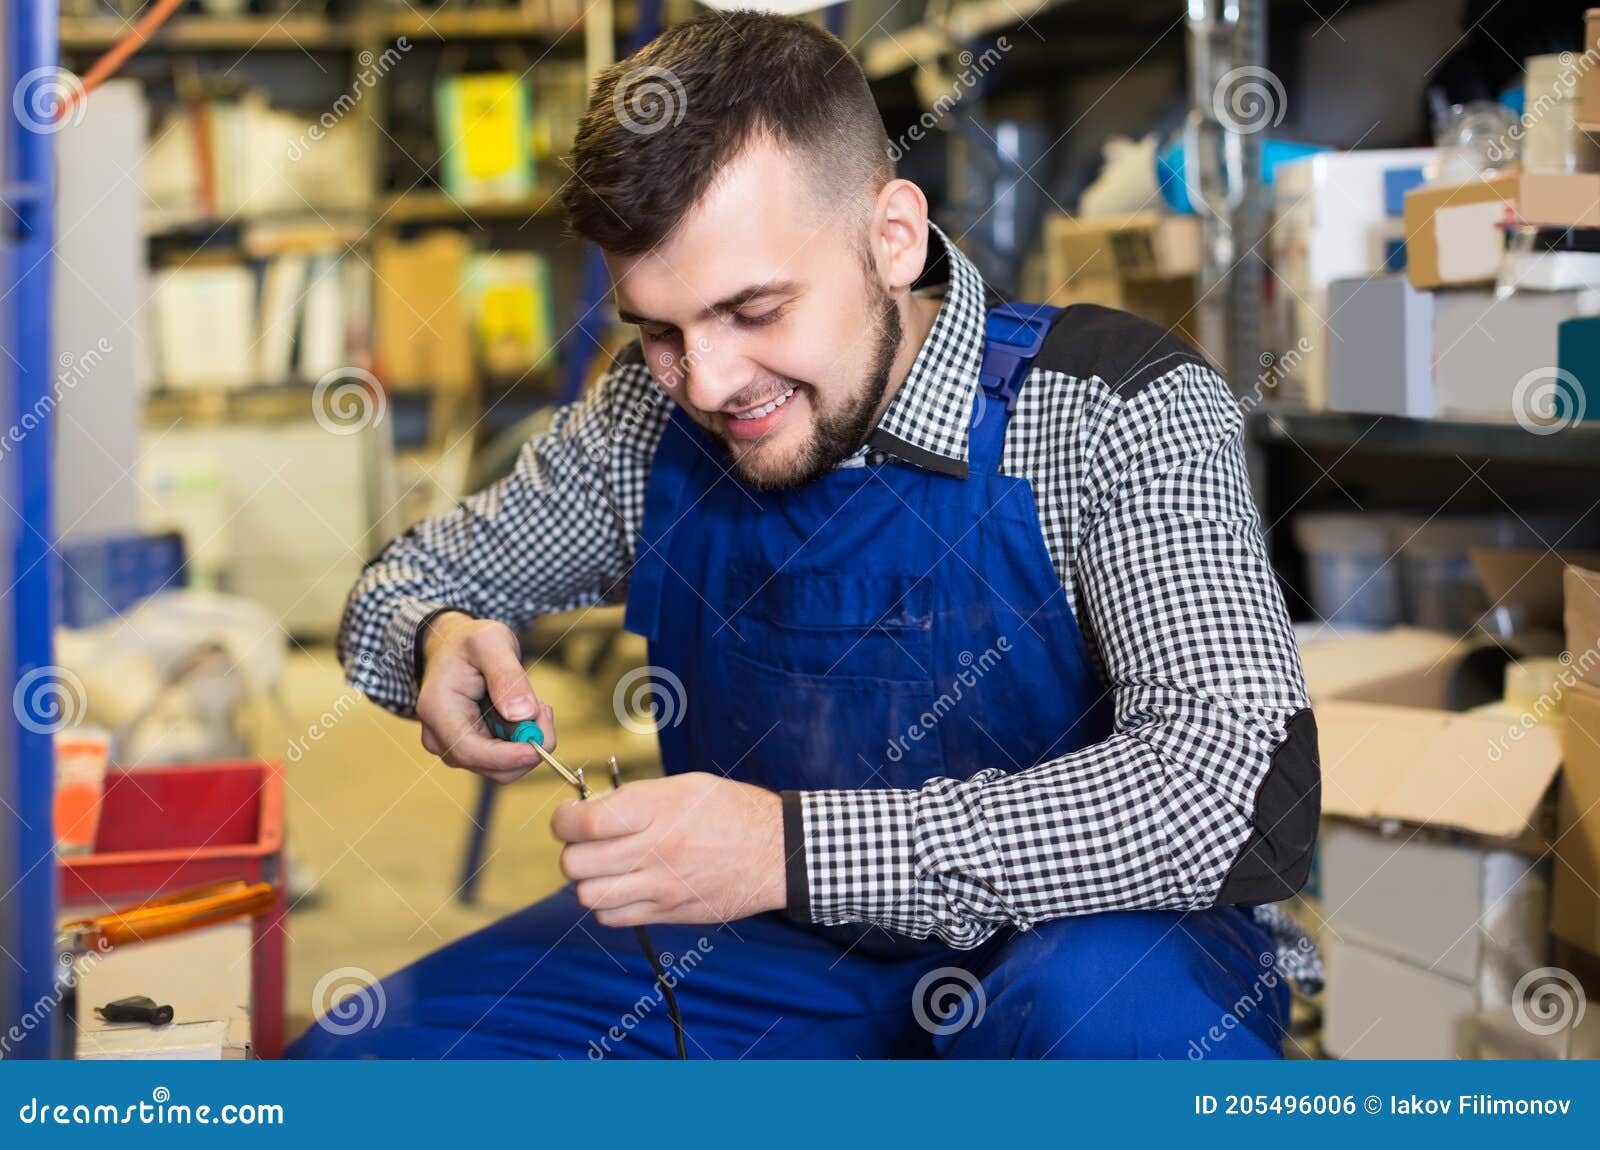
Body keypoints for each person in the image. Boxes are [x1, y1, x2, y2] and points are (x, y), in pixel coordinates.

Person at [288, 11, 1320, 1061]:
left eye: (754, 310)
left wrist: (789, 849)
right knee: (362, 1061)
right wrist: (436, 638)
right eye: (658, 329)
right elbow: (400, 584)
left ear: (892, 237)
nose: (710, 382)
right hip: (775, 949)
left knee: (1117, 1027)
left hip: (1078, 940)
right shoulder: (650, 427)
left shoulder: (1113, 407)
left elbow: (1230, 786)